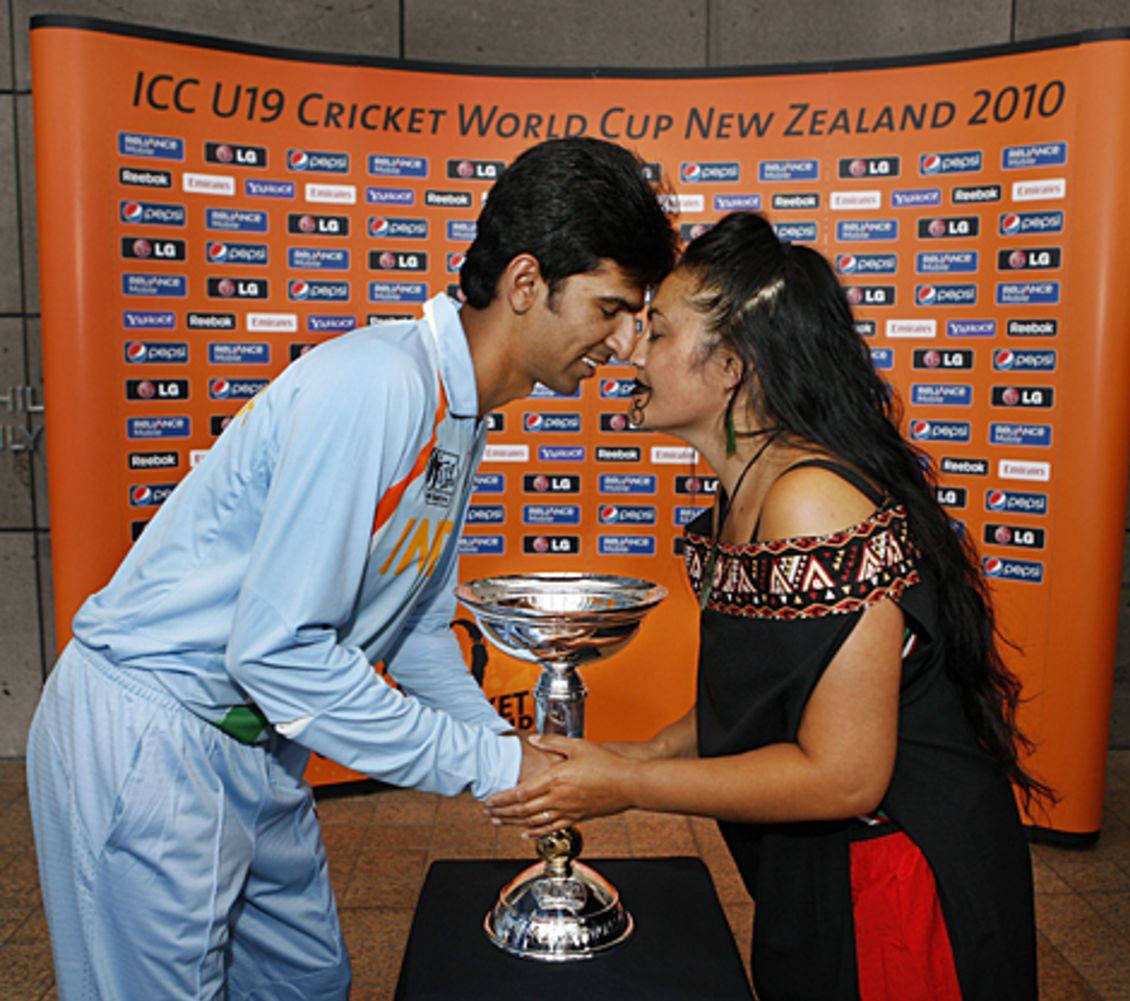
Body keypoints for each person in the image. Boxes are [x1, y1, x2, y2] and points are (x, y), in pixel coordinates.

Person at [26, 137, 676, 1001]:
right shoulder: (379, 386)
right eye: (610, 307)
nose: (625, 343)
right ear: (527, 284)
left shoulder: (458, 412)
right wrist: (487, 764)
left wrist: (501, 750)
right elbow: (278, 650)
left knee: (306, 981)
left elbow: (411, 628)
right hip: (158, 732)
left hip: (261, 743)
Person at [485, 211, 1049, 1001]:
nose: (628, 353)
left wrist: (629, 784)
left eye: (659, 332)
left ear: (731, 368)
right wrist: (631, 755)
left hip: (895, 881)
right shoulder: (745, 492)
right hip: (819, 867)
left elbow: (844, 775)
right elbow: (761, 703)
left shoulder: (811, 501)